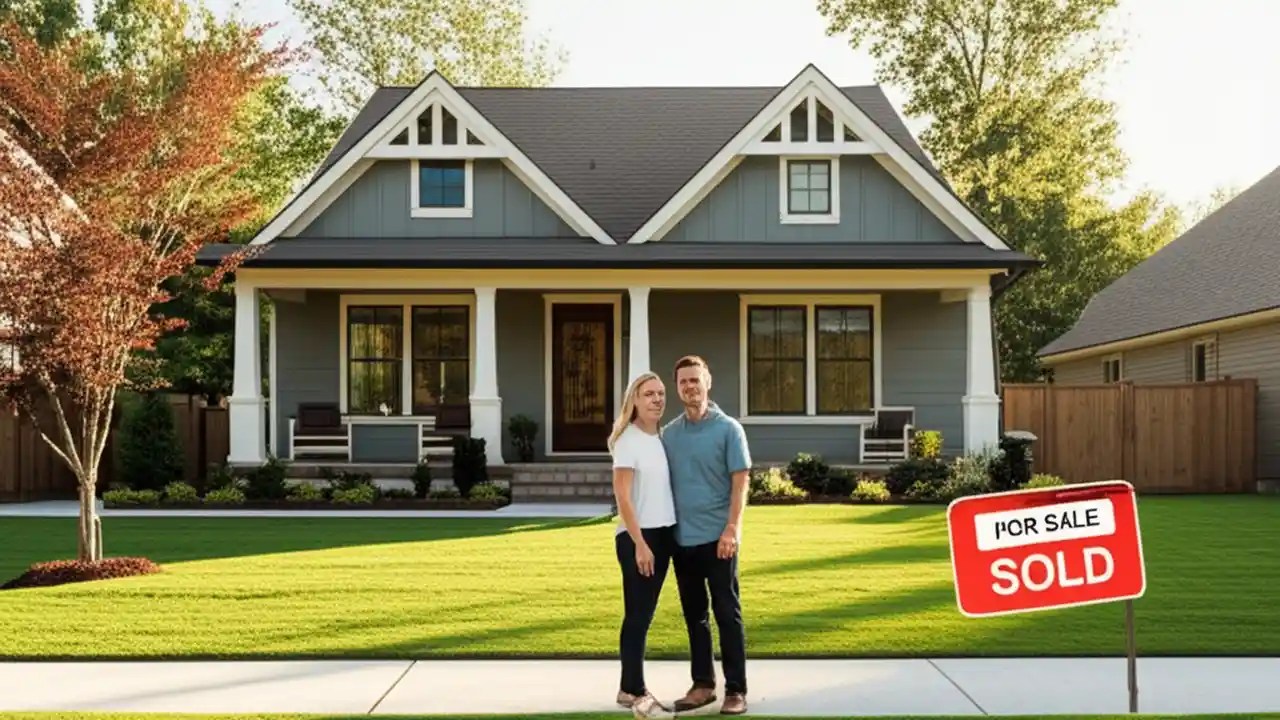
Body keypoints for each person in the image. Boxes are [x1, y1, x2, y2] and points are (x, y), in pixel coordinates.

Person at [660, 355, 751, 716]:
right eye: (683, 382)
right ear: (676, 387)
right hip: (683, 542)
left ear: (708, 381)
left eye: (695, 380)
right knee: (694, 616)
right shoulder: (670, 434)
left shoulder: (728, 429)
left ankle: (736, 690)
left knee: (727, 614)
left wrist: (733, 528)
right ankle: (703, 685)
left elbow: (740, 481)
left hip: (719, 539)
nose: (689, 387)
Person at [608, 370, 678, 718]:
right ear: (634, 399)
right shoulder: (628, 440)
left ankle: (627, 687)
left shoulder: (661, 438)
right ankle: (634, 691)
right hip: (639, 537)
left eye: (661, 394)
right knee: (637, 615)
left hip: (664, 535)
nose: (657, 400)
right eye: (649, 394)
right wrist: (639, 542)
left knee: (644, 614)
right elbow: (622, 496)